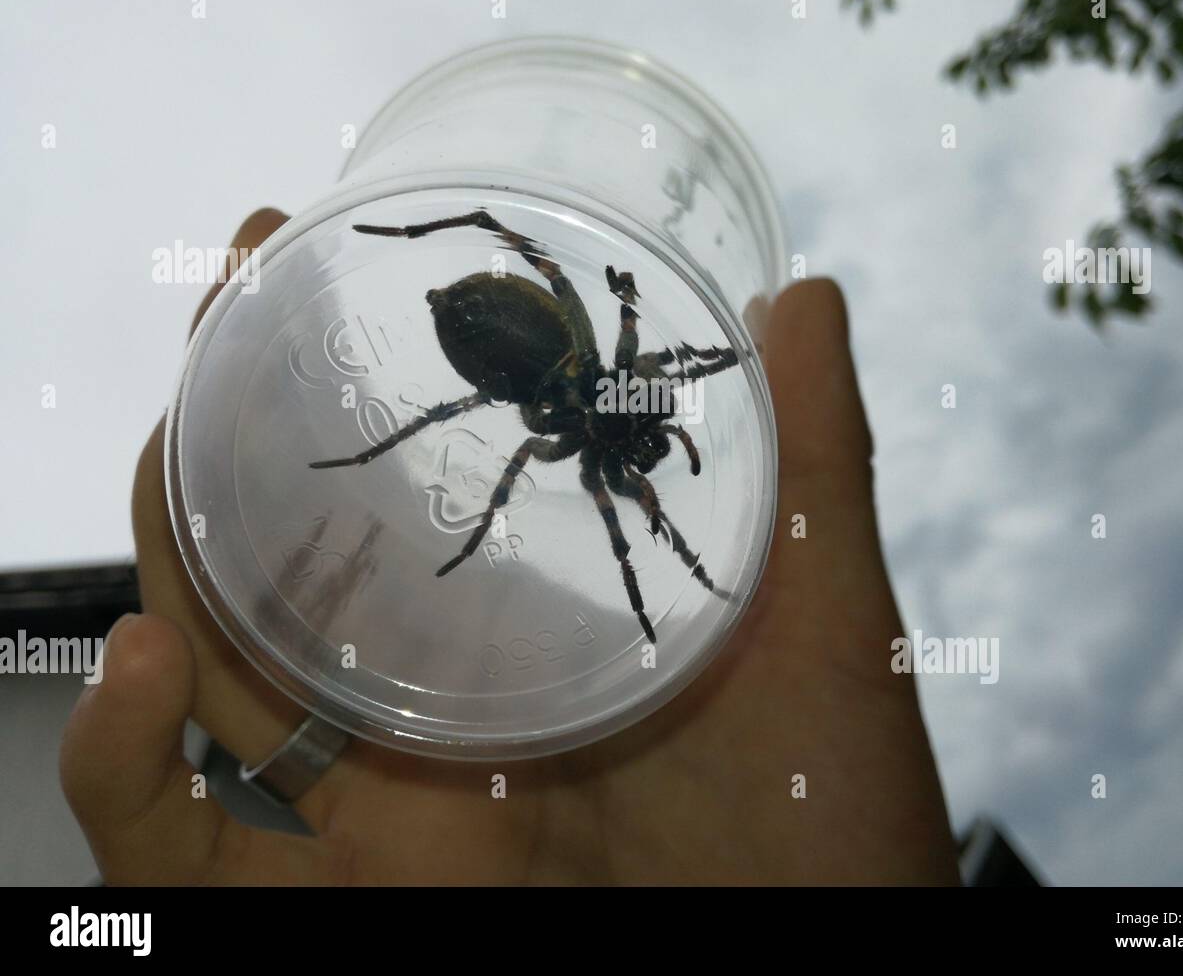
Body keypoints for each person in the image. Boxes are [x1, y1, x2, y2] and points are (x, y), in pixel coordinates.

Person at [60, 209, 959, 885]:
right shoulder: (618, 384)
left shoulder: (593, 447)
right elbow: (641, 352)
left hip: (510, 359)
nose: (649, 452)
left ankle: (641, 587)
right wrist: (676, 344)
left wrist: (654, 582)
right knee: (550, 435)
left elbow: (617, 495)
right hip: (520, 336)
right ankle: (402, 292)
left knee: (574, 479)